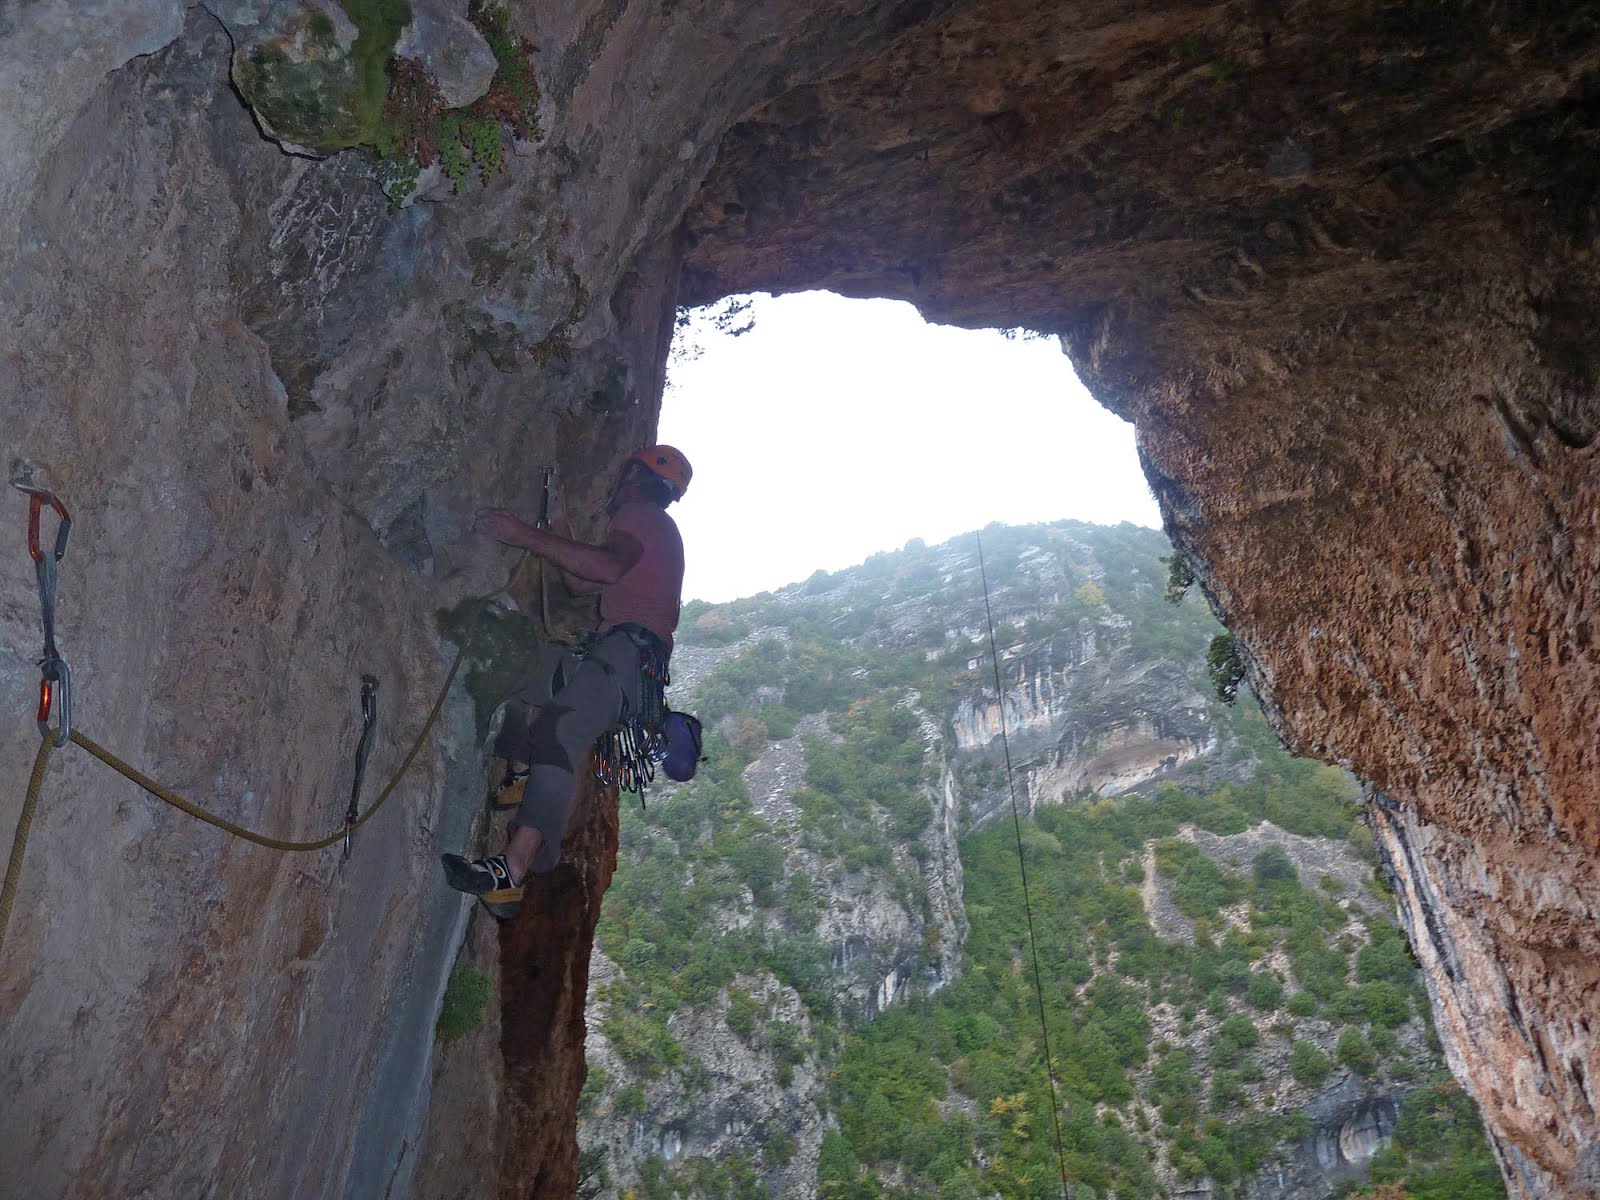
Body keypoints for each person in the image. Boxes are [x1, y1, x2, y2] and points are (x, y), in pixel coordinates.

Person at [441, 445, 690, 917]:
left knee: (562, 728)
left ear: (637, 476)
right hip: (620, 663)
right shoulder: (654, 532)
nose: (620, 483)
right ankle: (520, 773)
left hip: (625, 657)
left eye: (626, 473)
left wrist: (519, 535)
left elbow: (605, 567)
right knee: (520, 670)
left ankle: (511, 871)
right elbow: (582, 583)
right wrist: (555, 524)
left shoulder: (643, 515)